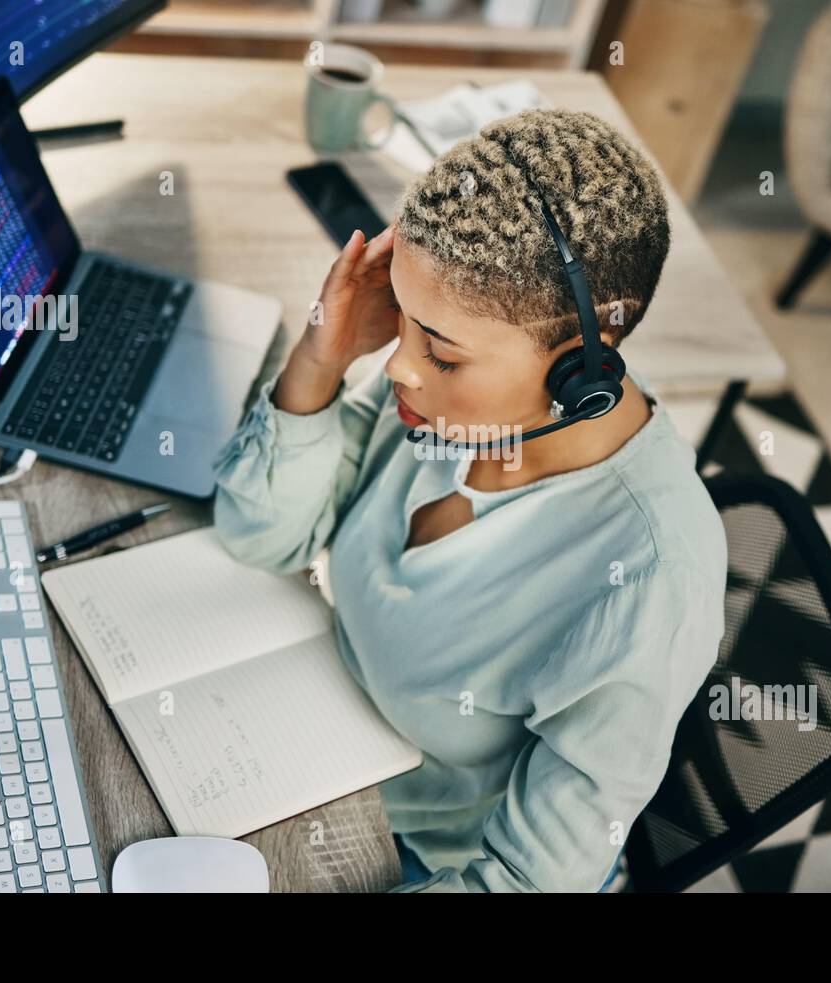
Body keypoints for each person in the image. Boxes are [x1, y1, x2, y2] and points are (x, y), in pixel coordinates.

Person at [212, 108, 727, 891]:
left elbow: (523, 882)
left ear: (580, 374)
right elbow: (259, 536)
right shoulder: (446, 404)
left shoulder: (652, 581)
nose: (399, 367)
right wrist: (322, 355)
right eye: (403, 319)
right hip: (304, 725)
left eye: (442, 353)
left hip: (407, 851)